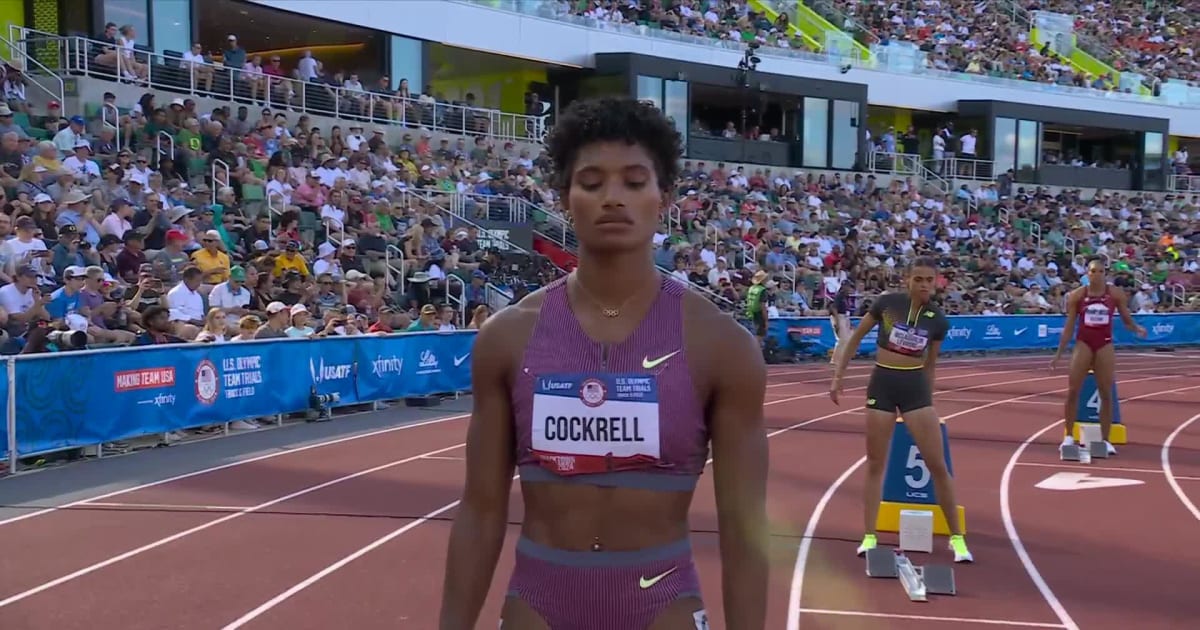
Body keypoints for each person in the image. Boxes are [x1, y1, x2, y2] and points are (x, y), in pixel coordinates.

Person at [439, 96, 769, 630]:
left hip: (663, 608)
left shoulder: (721, 347)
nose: (612, 198)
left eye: (634, 182)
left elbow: (744, 525)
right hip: (538, 608)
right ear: (565, 198)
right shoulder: (506, 339)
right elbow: (480, 511)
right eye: (591, 183)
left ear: (664, 196)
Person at [829, 257, 972, 563]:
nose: (923, 285)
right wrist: (839, 375)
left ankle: (957, 539)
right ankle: (869, 536)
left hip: (914, 389)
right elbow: (855, 338)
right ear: (907, 279)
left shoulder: (937, 319)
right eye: (917, 279)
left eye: (928, 280)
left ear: (936, 283)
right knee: (875, 463)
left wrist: (927, 398)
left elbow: (931, 365)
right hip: (882, 383)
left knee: (937, 465)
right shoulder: (886, 304)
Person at [1050, 256, 1145, 456]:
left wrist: (1136, 328)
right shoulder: (1077, 295)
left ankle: (1106, 440)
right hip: (1083, 343)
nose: (1097, 275)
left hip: (1104, 344)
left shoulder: (1115, 294)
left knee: (1106, 392)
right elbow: (1068, 327)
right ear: (1087, 273)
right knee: (1073, 390)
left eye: (1101, 271)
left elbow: (1126, 319)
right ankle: (1068, 437)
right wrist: (1059, 353)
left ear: (1105, 273)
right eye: (1093, 271)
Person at [828, 282, 854, 365]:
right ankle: (835, 359)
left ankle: (842, 358)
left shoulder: (846, 297)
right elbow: (834, 308)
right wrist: (837, 322)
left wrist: (848, 322)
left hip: (845, 317)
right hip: (839, 317)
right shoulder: (839, 296)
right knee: (841, 339)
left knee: (847, 339)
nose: (850, 289)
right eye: (849, 287)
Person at [745, 269, 768, 346]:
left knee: (752, 333)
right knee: (759, 335)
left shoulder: (751, 288)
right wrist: (766, 319)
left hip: (750, 312)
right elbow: (763, 306)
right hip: (759, 314)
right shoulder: (762, 290)